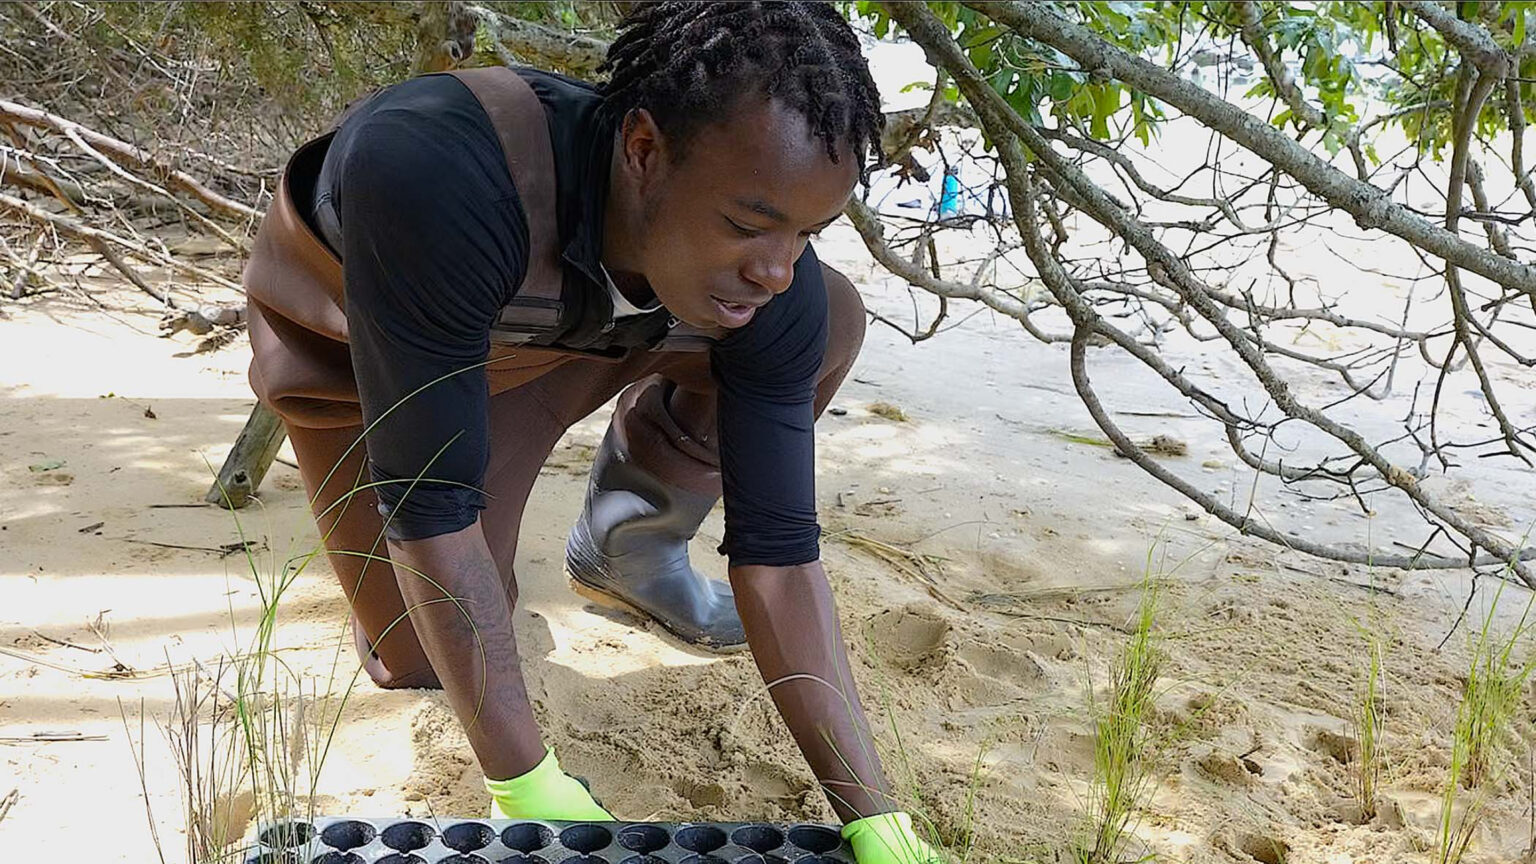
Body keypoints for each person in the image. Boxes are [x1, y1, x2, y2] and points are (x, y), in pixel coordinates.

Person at [243, 2, 939, 860]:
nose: (775, 265)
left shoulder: (770, 278)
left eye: (808, 232)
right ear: (642, 150)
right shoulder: (435, 169)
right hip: (380, 360)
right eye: (750, 224)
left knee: (820, 317)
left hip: (575, 337)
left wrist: (875, 814)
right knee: (419, 654)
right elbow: (429, 510)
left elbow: (781, 555)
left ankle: (629, 542)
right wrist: (527, 783)